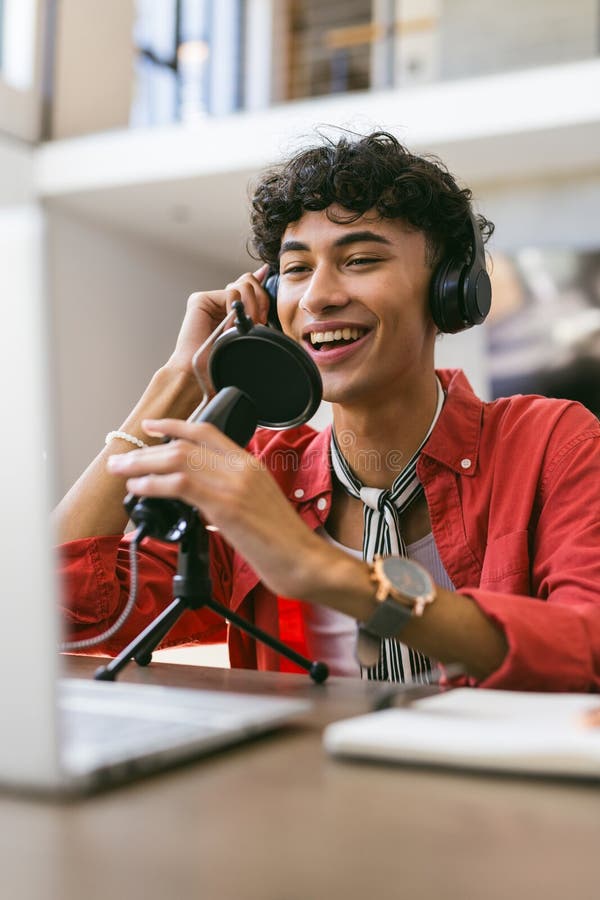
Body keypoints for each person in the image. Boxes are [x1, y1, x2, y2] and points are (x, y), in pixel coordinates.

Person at [56, 131, 600, 691]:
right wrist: (180, 378)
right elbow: (56, 607)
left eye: (360, 260)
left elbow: (587, 650)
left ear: (449, 292)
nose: (317, 296)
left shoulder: (553, 444)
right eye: (295, 270)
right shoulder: (262, 471)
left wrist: (325, 573)